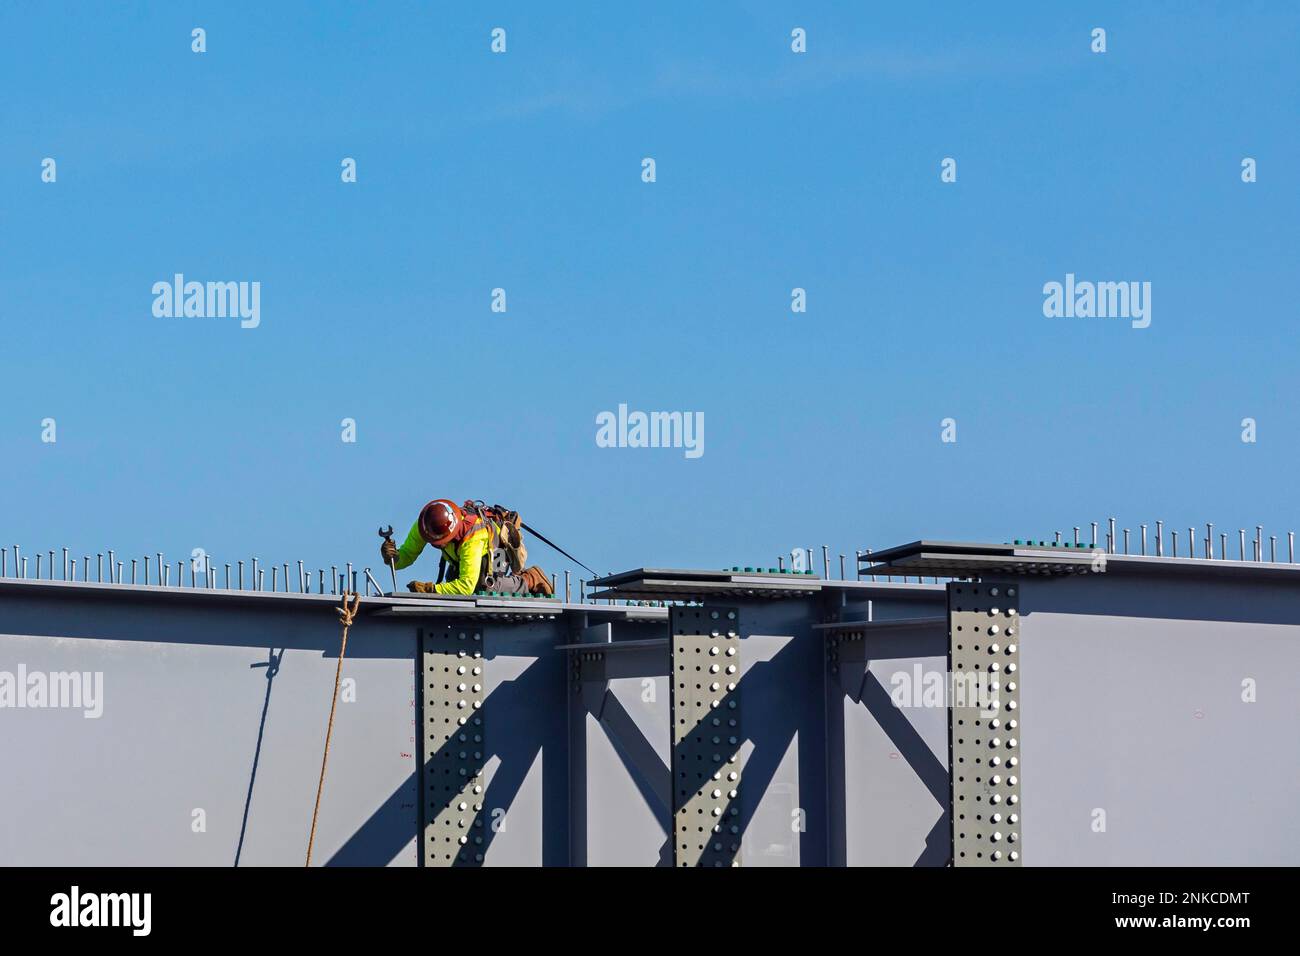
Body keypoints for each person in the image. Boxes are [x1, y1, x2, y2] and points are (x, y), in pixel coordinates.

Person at [380, 498, 553, 596]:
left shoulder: (472, 538)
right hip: (466, 553)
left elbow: (466, 586)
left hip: (497, 550)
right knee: (451, 580)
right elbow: (408, 553)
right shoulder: (426, 524)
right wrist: (394, 558)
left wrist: (431, 589)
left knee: (486, 585)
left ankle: (530, 579)